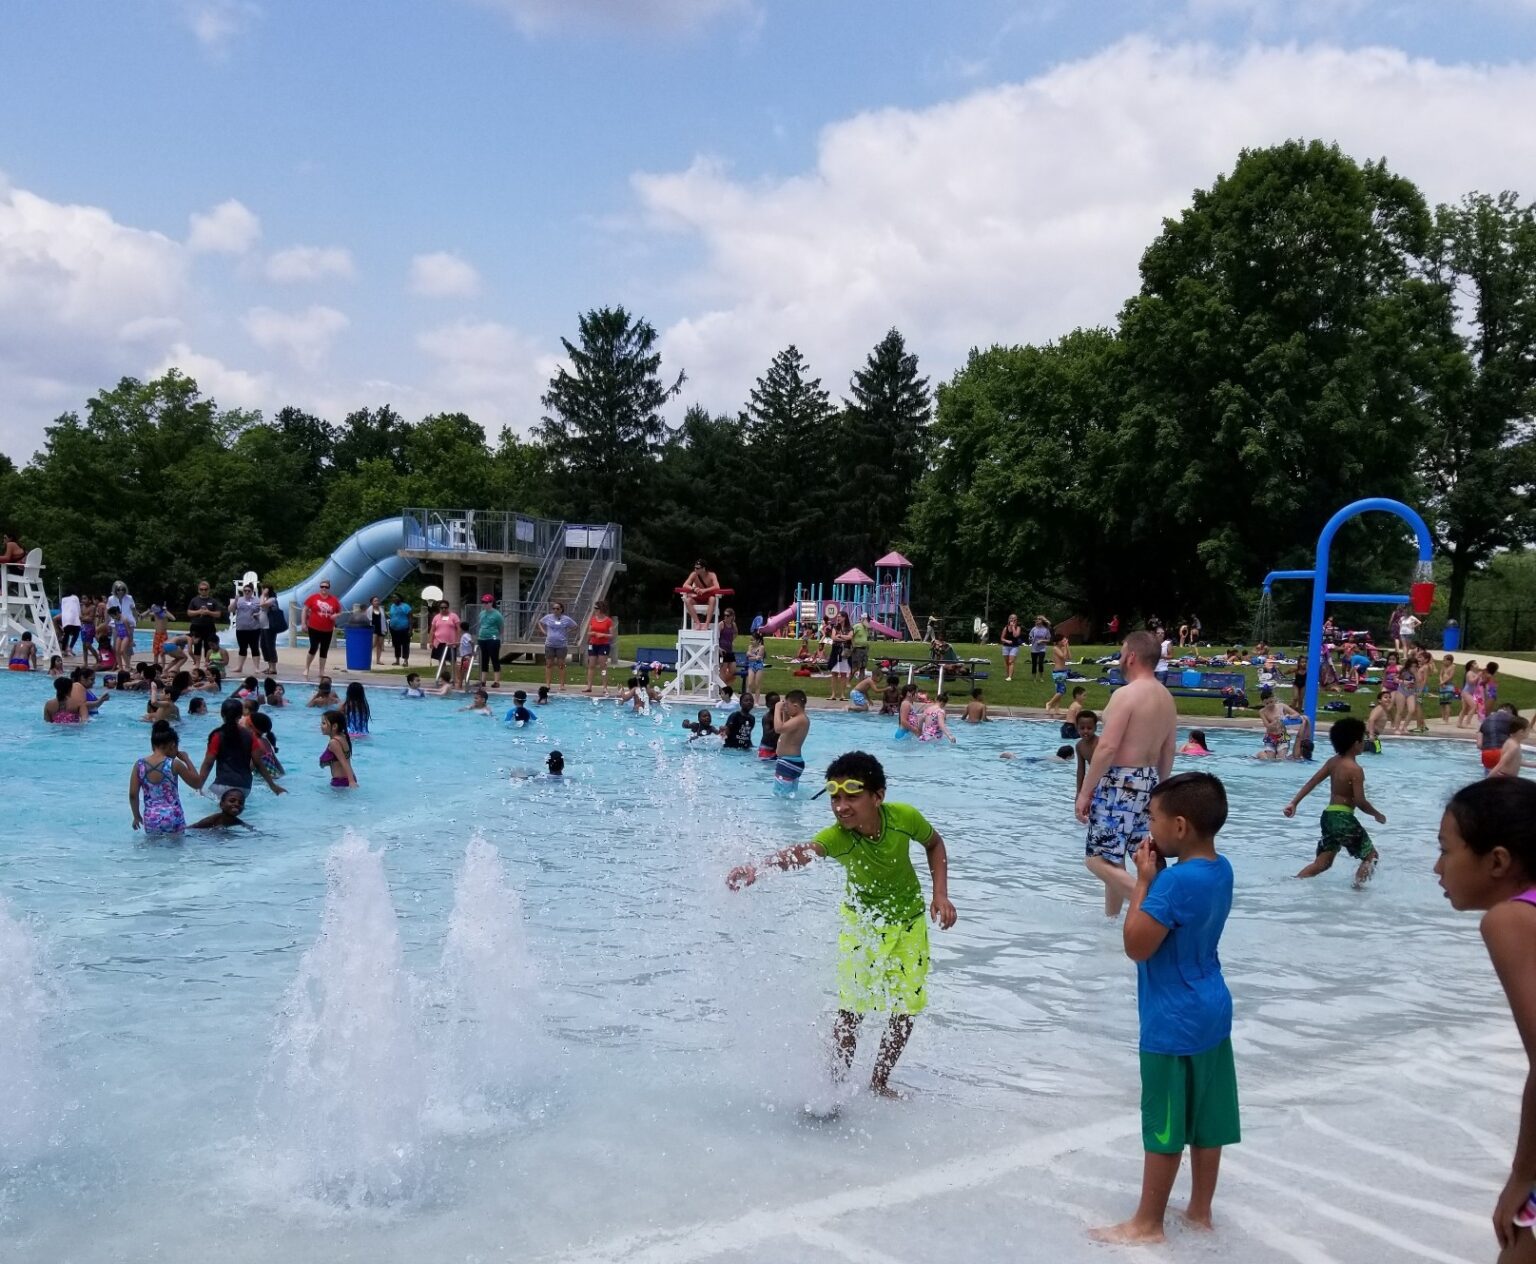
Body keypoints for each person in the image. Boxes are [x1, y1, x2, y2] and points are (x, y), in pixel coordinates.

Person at [725, 750, 956, 1098]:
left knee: (906, 1007)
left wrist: (941, 894)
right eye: (835, 796)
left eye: (852, 796)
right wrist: (759, 868)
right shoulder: (839, 837)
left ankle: (879, 1081)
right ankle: (834, 1085)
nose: (841, 806)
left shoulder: (904, 817)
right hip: (863, 923)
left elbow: (934, 843)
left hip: (909, 922)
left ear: (878, 796)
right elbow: (803, 851)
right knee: (852, 1008)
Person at [1090, 772, 1238, 1246]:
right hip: (1212, 1007)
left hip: (1173, 1019)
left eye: (1152, 819)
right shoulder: (1222, 869)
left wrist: (1143, 883)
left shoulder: (1173, 882)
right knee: (1207, 1116)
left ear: (1179, 827)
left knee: (1166, 1120)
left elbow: (1137, 945)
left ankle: (1147, 1224)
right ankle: (1199, 1211)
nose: (1146, 828)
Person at [1431, 777, 1536, 1261]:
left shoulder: (1509, 920)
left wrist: (1522, 1176)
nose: (1437, 868)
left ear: (1497, 861)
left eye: (1445, 850)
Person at [1076, 631, 1177, 918]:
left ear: (1132, 656)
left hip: (1119, 782)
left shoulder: (1126, 694)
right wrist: (1161, 790)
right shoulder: (1166, 698)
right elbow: (1169, 749)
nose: (1120, 658)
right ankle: (1112, 922)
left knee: (1096, 860)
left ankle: (1152, 909)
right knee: (1121, 856)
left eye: (1122, 652)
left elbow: (1107, 747)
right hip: (1149, 782)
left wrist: (1085, 792)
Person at [1281, 716, 1383, 888]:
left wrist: (1294, 803)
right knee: (1371, 856)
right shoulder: (1356, 770)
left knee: (1323, 863)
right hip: (1344, 818)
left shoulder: (1333, 762)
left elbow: (1312, 781)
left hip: (1328, 817)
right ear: (1355, 743)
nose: (1364, 742)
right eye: (1362, 739)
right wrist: (1377, 814)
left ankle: (1293, 882)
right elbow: (1360, 801)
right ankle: (1357, 890)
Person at [198, 698, 286, 803]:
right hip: (245, 788)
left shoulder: (217, 735)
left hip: (222, 785)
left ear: (222, 714)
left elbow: (208, 763)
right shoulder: (250, 737)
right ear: (240, 716)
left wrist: (199, 786)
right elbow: (258, 763)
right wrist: (272, 786)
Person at [130, 721, 205, 836]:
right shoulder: (174, 764)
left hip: (151, 818)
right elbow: (197, 783)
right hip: (173, 816)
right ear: (172, 745)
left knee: (153, 852)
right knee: (176, 852)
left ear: (153, 745)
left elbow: (133, 795)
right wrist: (186, 759)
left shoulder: (139, 765)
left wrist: (136, 816)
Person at [301, 580, 342, 682]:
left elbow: (339, 612)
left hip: (327, 629)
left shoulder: (334, 600)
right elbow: (305, 609)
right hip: (314, 627)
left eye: (326, 587)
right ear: (320, 587)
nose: (324, 588)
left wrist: (335, 615)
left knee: (324, 649)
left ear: (329, 588)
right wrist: (303, 623)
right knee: (313, 647)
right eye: (322, 586)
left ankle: (321, 671)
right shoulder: (313, 597)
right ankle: (307, 668)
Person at [774, 690, 810, 791]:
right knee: (790, 795)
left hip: (788, 762)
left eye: (787, 705)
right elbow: (786, 730)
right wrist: (785, 713)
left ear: (795, 706)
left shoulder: (800, 719)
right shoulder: (800, 719)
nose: (785, 707)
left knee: (781, 796)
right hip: (792, 761)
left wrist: (777, 709)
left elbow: (778, 728)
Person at [538, 601, 577, 692]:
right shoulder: (548, 617)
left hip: (561, 645)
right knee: (549, 664)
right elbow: (539, 622)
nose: (555, 610)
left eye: (557, 608)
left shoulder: (566, 619)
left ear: (561, 609)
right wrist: (544, 632)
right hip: (549, 644)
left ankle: (562, 684)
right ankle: (548, 684)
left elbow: (575, 626)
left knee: (561, 665)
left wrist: (567, 632)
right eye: (554, 608)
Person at [230, 582, 263, 674]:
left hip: (254, 628)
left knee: (254, 647)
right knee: (242, 648)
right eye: (245, 590)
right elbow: (231, 610)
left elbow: (263, 611)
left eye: (248, 591)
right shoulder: (239, 600)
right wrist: (235, 601)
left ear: (252, 591)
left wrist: (257, 614)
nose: (246, 592)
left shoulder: (257, 600)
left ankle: (256, 667)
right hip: (241, 628)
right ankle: (239, 667)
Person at [319, 709, 358, 787]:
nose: (321, 726)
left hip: (341, 782)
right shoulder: (342, 737)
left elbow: (344, 762)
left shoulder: (334, 742)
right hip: (347, 779)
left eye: (324, 723)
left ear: (334, 726)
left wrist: (351, 782)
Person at [583, 599, 614, 694]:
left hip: (603, 645)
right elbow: (588, 632)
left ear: (601, 609)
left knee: (603, 666)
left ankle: (605, 687)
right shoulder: (593, 619)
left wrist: (603, 635)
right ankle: (589, 686)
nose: (595, 610)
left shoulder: (608, 621)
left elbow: (612, 635)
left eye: (596, 608)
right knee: (591, 665)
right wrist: (591, 634)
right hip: (593, 644)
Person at [681, 559, 722, 629]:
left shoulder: (712, 575)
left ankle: (706, 624)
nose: (695, 569)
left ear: (703, 568)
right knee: (687, 600)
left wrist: (704, 590)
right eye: (695, 567)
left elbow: (717, 587)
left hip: (708, 598)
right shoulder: (693, 574)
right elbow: (685, 585)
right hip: (698, 597)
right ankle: (697, 623)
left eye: (697, 568)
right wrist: (694, 589)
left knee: (712, 599)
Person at [1483, 703, 1523, 773]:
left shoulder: (1486, 721)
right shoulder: (1512, 723)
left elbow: (1479, 744)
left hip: (1486, 755)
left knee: (1490, 779)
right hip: (1501, 754)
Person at [429, 600, 461, 681]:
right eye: (442, 608)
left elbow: (458, 629)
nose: (443, 609)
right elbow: (432, 630)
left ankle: (456, 678)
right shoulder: (436, 617)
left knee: (452, 661)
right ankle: (445, 678)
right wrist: (430, 641)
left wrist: (457, 640)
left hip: (451, 643)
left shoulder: (453, 616)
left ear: (448, 607)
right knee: (441, 661)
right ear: (439, 608)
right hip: (439, 642)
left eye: (445, 608)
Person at [1044, 635, 1071, 714]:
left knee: (1059, 690)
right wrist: (1065, 646)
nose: (1064, 642)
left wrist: (1067, 646)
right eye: (1063, 641)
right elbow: (1063, 657)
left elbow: (1069, 657)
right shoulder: (1055, 648)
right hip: (1058, 673)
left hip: (1063, 672)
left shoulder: (1062, 648)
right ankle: (1049, 703)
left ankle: (1057, 709)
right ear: (1058, 641)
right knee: (1061, 691)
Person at [387, 594, 413, 667]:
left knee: (405, 645)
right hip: (394, 629)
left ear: (400, 598)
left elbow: (410, 618)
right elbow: (392, 615)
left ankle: (405, 661)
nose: (394, 598)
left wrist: (410, 629)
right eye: (393, 597)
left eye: (395, 597)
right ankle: (397, 660)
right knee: (396, 645)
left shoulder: (406, 606)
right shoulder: (392, 606)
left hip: (404, 629)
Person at [719, 607, 742, 690]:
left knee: (733, 670)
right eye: (724, 615)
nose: (725, 617)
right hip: (722, 651)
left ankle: (723, 685)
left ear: (732, 616)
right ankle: (722, 689)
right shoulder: (721, 624)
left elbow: (736, 632)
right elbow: (715, 637)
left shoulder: (733, 625)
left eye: (727, 615)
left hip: (730, 650)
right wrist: (719, 648)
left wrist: (732, 639)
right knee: (723, 670)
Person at [997, 614, 1023, 681]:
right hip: (1006, 646)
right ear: (1009, 619)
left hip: (1014, 647)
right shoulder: (1006, 628)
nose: (1013, 620)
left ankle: (1010, 677)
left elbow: (1015, 636)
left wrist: (1013, 627)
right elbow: (1002, 638)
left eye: (1014, 619)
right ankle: (1007, 675)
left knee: (1011, 661)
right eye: (1011, 618)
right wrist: (1007, 641)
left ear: (1016, 620)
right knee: (1006, 662)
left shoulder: (1018, 627)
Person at [59, 587, 81, 657]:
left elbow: (63, 609)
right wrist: (80, 616)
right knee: (76, 634)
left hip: (65, 618)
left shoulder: (63, 599)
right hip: (74, 617)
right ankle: (70, 648)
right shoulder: (75, 597)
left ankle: (63, 650)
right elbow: (78, 608)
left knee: (66, 634)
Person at [850, 614, 871, 679]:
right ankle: (848, 681)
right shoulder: (856, 626)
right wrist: (853, 645)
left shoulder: (866, 628)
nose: (869, 622)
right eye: (868, 620)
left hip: (865, 650)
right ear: (864, 619)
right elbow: (851, 636)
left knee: (863, 667)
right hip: (857, 649)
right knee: (855, 667)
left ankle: (861, 682)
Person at [368, 595, 386, 667]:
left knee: (380, 645)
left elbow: (383, 619)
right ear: (372, 602)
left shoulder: (381, 609)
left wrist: (385, 629)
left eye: (377, 600)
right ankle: (367, 657)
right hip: (373, 628)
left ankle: (378, 659)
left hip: (380, 628)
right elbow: (368, 618)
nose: (377, 602)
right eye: (375, 601)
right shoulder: (370, 609)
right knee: (373, 644)